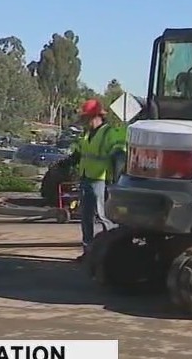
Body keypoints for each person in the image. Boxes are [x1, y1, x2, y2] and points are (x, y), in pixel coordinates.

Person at [67, 98, 127, 262]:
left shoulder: (109, 133)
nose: (83, 121)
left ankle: (110, 254)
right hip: (86, 178)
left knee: (104, 217)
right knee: (86, 217)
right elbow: (79, 152)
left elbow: (119, 154)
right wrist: (68, 162)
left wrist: (116, 178)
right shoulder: (86, 134)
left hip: (101, 181)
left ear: (95, 116)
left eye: (85, 117)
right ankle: (88, 252)